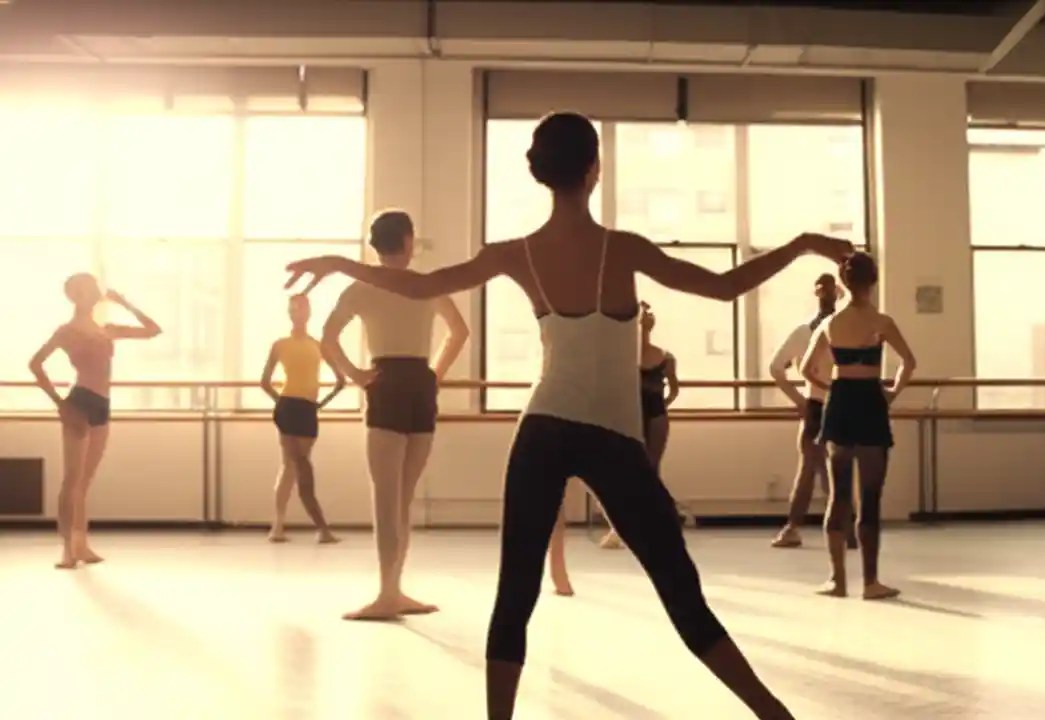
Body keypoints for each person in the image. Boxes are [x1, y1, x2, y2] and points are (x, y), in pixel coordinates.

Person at [285, 112, 849, 720]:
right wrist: (802, 245)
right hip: (612, 438)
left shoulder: (516, 253)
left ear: (544, 174)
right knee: (681, 594)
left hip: (543, 429)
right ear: (593, 169)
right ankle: (776, 717)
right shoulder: (623, 248)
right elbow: (724, 287)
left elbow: (420, 286)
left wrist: (340, 263)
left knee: (515, 596)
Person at [320, 210, 471, 620]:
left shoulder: (361, 287)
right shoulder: (425, 286)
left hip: (384, 381)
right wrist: (435, 375)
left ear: (375, 244)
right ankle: (394, 589)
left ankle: (389, 592)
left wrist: (356, 376)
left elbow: (327, 338)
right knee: (402, 499)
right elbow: (460, 331)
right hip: (419, 383)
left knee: (386, 498)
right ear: (407, 241)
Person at [801, 252, 914, 600]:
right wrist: (891, 394)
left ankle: (836, 580)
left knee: (838, 496)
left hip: (841, 401)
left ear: (843, 283)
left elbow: (806, 368)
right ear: (873, 281)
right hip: (870, 401)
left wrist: (830, 392)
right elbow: (909, 362)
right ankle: (870, 582)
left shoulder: (830, 323)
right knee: (870, 497)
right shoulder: (881, 321)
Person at [28, 275, 161, 569]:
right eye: (85, 289)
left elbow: (153, 330)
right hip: (79, 402)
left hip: (102, 405)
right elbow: (35, 363)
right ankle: (66, 549)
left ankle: (81, 544)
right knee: (72, 480)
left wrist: (125, 302)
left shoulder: (106, 330)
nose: (93, 293)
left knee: (84, 483)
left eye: (94, 288)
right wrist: (60, 403)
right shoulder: (67, 331)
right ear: (73, 295)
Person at [768, 273, 851, 549]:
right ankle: (836, 528)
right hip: (820, 404)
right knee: (821, 469)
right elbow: (776, 367)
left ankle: (836, 527)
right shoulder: (810, 332)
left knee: (824, 470)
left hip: (826, 403)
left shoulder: (838, 329)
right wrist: (799, 400)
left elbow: (777, 367)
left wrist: (800, 399)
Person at [598, 300, 689, 550]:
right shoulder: (622, 355)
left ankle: (657, 524)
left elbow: (674, 389)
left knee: (651, 469)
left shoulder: (665, 357)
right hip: (632, 416)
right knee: (625, 470)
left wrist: (659, 404)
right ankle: (621, 526)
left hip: (655, 416)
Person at [259, 294, 346, 544]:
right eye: (294, 308)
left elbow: (340, 381)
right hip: (289, 407)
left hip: (307, 409)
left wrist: (318, 404)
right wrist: (282, 402)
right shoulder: (280, 344)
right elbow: (264, 382)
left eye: (302, 308)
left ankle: (313, 527)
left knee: (299, 465)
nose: (298, 312)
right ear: (289, 312)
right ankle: (279, 526)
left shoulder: (318, 345)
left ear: (308, 313)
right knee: (290, 466)